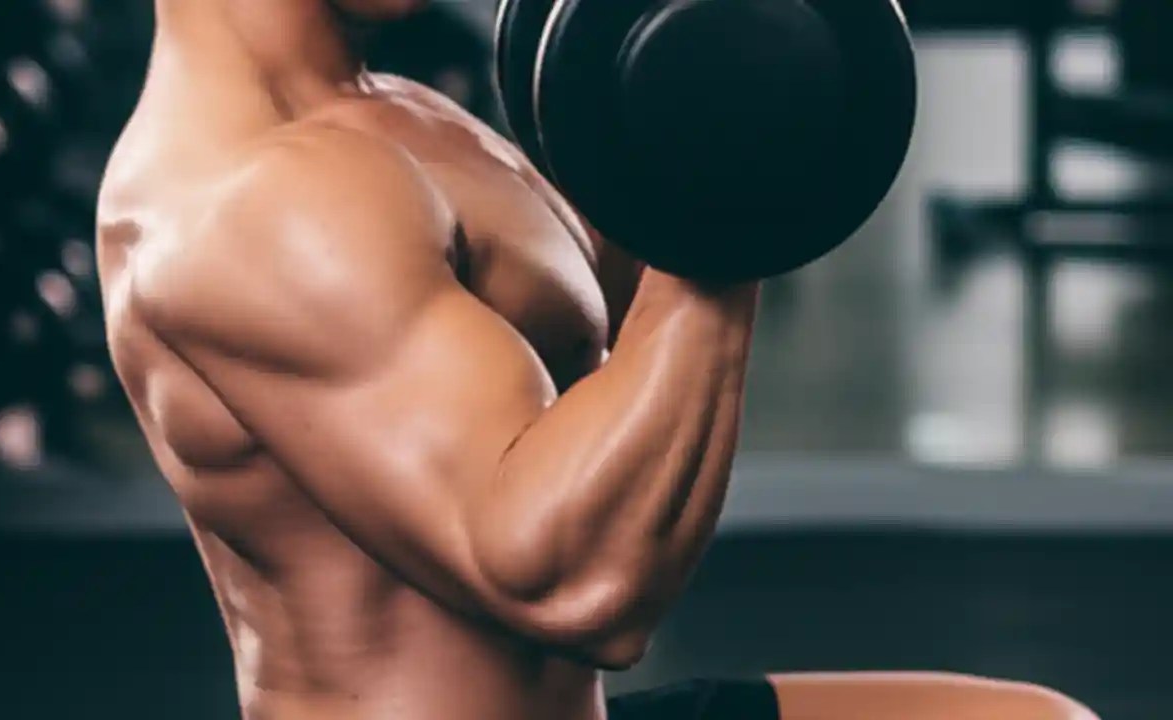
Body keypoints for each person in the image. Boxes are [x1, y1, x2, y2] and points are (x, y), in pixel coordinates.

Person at [96, 2, 1100, 718]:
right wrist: (721, 210)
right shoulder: (259, 204)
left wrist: (677, 102)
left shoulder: (395, 119)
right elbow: (575, 584)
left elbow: (589, 347)